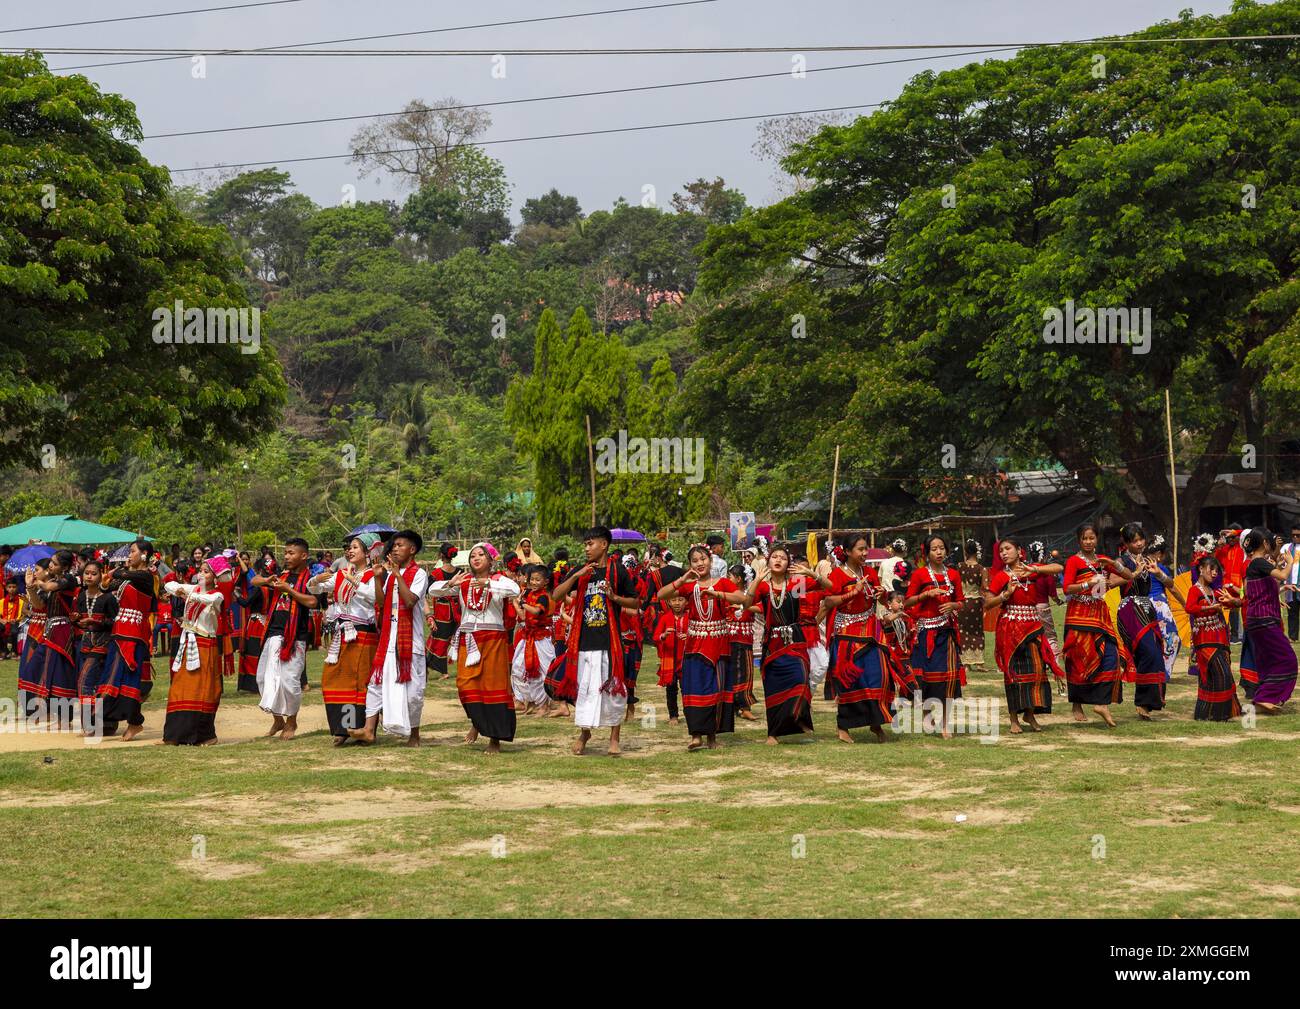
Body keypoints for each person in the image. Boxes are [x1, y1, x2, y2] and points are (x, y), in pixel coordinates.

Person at [554, 527, 640, 755]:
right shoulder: (581, 571)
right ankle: (585, 732)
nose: (586, 548)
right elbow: (555, 595)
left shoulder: (618, 571)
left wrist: (614, 598)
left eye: (590, 544)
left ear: (604, 545)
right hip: (582, 642)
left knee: (613, 691)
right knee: (585, 691)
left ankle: (614, 738)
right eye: (585, 544)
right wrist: (575, 576)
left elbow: (636, 602)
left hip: (610, 642)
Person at [431, 542, 520, 752]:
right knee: (465, 684)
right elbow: (433, 591)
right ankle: (477, 723)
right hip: (469, 638)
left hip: (493, 639)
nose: (476, 558)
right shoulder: (464, 582)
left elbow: (514, 588)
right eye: (472, 556)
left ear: (490, 559)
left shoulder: (499, 581)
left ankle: (494, 739)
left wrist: (488, 585)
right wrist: (449, 583)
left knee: (493, 687)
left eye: (481, 555)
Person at [821, 533, 908, 742]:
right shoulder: (838, 575)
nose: (864, 553)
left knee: (880, 676)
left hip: (871, 631)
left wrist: (881, 594)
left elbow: (880, 598)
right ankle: (844, 727)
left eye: (866, 548)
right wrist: (853, 592)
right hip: (847, 634)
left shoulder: (869, 571)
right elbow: (829, 601)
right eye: (860, 549)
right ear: (848, 552)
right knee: (850, 680)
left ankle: (877, 722)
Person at [350, 531, 430, 745]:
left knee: (413, 691)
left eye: (400, 545)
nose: (394, 549)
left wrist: (397, 575)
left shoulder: (419, 574)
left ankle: (414, 734)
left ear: (411, 550)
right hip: (388, 640)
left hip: (409, 642)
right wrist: (378, 577)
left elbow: (410, 601)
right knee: (376, 684)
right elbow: (382, 603)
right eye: (393, 546)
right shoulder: (391, 574)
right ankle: (368, 730)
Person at [657, 544, 738, 751]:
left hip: (719, 644)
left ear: (710, 561)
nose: (699, 563)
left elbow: (743, 598)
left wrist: (719, 595)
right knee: (695, 688)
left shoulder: (723, 583)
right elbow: (661, 595)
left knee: (716, 689)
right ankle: (695, 735)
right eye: (695, 561)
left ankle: (712, 737)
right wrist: (682, 579)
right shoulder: (689, 586)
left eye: (703, 559)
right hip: (695, 644)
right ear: (690, 565)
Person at [983, 538, 1064, 734]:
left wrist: (1035, 570)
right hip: (1010, 627)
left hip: (1033, 625)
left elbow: (1058, 567)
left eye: (1008, 549)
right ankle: (1013, 719)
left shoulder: (1033, 571)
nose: (1004, 553)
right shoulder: (1002, 576)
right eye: (1001, 550)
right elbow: (987, 603)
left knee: (1037, 670)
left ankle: (1030, 713)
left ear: (1019, 551)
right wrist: (1005, 595)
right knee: (1013, 674)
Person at [1061, 523, 1135, 727]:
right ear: (1079, 540)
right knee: (1079, 659)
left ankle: (1102, 703)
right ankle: (1076, 703)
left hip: (1100, 615)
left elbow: (1129, 575)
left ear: (1097, 539)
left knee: (1111, 655)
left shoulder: (1102, 561)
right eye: (1084, 538)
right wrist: (1089, 584)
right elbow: (1067, 588)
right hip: (1079, 614)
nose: (1088, 542)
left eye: (1091, 538)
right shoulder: (1074, 561)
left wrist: (1113, 563)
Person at [741, 545, 816, 743]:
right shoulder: (763, 587)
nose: (778, 560)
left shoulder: (796, 584)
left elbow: (829, 587)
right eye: (774, 556)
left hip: (795, 639)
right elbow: (747, 605)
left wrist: (809, 572)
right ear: (768, 562)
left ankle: (797, 716)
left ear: (788, 564)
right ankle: (773, 733)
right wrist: (756, 581)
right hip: (773, 642)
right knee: (773, 688)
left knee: (801, 680)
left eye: (783, 558)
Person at [251, 538, 318, 741]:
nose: (287, 556)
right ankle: (278, 719)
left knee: (289, 682)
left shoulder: (310, 579)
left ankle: (291, 721)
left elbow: (313, 602)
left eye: (291, 553)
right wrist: (267, 581)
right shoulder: (281, 575)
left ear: (303, 555)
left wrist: (288, 590)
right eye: (286, 553)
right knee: (263, 678)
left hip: (295, 637)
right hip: (273, 634)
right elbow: (254, 581)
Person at [904, 535, 967, 738]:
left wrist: (953, 605)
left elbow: (961, 601)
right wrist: (925, 595)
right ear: (927, 553)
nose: (939, 552)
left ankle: (946, 724)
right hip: (925, 634)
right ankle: (926, 714)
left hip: (946, 632)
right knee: (927, 680)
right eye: (934, 549)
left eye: (941, 548)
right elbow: (907, 603)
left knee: (949, 678)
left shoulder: (954, 575)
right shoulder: (920, 575)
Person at [319, 534, 379, 744]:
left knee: (357, 682)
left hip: (362, 633)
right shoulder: (342, 574)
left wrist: (356, 582)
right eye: (349, 548)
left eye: (355, 548)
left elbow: (376, 598)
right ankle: (342, 728)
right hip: (342, 633)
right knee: (334, 678)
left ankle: (357, 727)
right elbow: (316, 588)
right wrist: (316, 580)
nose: (350, 551)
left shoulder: (375, 575)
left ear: (368, 553)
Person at [97, 540, 158, 741]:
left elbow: (125, 574)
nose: (129, 555)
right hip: (120, 630)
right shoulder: (127, 578)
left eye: (132, 551)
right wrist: (103, 582)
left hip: (135, 633)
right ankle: (111, 716)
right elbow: (106, 588)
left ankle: (134, 722)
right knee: (113, 674)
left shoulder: (146, 576)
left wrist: (114, 573)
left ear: (144, 554)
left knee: (130, 676)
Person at [162, 558, 228, 745]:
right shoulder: (194, 590)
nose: (201, 574)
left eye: (206, 572)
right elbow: (169, 584)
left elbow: (208, 599)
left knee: (203, 691)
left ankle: (206, 735)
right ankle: (174, 735)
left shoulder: (217, 595)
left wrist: (186, 594)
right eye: (200, 570)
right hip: (189, 643)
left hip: (205, 646)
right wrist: (182, 590)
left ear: (215, 578)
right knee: (179, 688)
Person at [1238, 528, 1297, 714]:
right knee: (1288, 659)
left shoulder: (1253, 565)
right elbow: (1282, 576)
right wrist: (1289, 563)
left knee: (1268, 661)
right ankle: (1265, 697)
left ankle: (1264, 697)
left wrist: (1277, 592)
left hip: (1257, 619)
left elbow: (1251, 592)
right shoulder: (1259, 562)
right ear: (1264, 543)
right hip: (1264, 620)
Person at [1115, 523, 1169, 720]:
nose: (1139, 544)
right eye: (1134, 541)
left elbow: (1169, 584)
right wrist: (1135, 573)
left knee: (1154, 653)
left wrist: (1159, 574)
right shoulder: (1121, 561)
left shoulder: (1149, 560)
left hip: (1148, 609)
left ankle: (1148, 702)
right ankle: (1142, 702)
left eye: (1140, 539)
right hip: (1129, 609)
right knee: (1148, 651)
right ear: (1127, 543)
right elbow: (1112, 581)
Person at [22, 550, 81, 728]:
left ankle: (64, 718)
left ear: (64, 566)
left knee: (60, 674)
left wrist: (37, 581)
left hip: (62, 631)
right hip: (50, 631)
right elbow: (39, 604)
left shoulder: (68, 579)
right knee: (33, 669)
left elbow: (48, 587)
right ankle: (46, 711)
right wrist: (30, 587)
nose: (51, 566)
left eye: (54, 563)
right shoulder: (52, 582)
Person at [1184, 555, 1242, 721]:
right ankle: (1220, 713)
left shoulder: (1215, 591)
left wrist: (1231, 600)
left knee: (1216, 675)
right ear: (1201, 569)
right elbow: (1189, 608)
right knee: (1221, 673)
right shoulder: (1194, 590)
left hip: (1219, 637)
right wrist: (1209, 607)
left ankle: (1206, 714)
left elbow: (1234, 604)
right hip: (1204, 640)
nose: (1215, 572)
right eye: (1211, 569)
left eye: (1217, 570)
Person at [74, 561, 116, 736]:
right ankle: (103, 724)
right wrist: (75, 618)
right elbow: (78, 620)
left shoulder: (108, 598)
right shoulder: (81, 596)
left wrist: (95, 622)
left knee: (85, 681)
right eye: (86, 573)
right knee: (95, 684)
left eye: (93, 573)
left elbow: (115, 622)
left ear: (101, 575)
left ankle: (91, 725)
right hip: (85, 644)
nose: (89, 576)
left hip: (102, 644)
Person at [510, 564, 554, 717]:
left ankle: (544, 705)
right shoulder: (529, 595)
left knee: (543, 670)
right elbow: (523, 617)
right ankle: (528, 701)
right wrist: (517, 604)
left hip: (540, 639)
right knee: (518, 668)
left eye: (537, 580)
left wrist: (522, 604)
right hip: (527, 637)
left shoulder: (542, 597)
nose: (534, 583)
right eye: (532, 580)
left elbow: (536, 611)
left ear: (545, 582)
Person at [1143, 535, 1185, 682]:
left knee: (1149, 640)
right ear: (1160, 554)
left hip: (1141, 605)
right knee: (1172, 638)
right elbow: (1172, 588)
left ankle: (1149, 672)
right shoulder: (1160, 569)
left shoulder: (1138, 566)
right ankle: (1163, 673)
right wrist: (1184, 604)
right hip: (1159, 605)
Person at [726, 563, 759, 722]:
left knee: (745, 673)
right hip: (728, 638)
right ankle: (731, 705)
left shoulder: (750, 595)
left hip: (745, 639)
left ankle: (745, 707)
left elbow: (761, 608)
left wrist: (742, 605)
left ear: (738, 579)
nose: (728, 579)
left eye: (730, 576)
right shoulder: (727, 593)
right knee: (729, 671)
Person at [652, 593, 689, 725]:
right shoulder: (665, 618)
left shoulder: (690, 617)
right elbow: (656, 637)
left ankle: (689, 714)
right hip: (670, 661)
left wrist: (689, 637)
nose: (677, 603)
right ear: (668, 602)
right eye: (674, 600)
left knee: (687, 689)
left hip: (686, 660)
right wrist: (663, 635)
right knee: (671, 690)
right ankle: (673, 715)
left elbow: (698, 634)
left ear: (686, 601)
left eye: (681, 599)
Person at [427, 543, 461, 680]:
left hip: (443, 612)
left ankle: (443, 671)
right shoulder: (459, 572)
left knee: (440, 640)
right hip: (457, 610)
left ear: (441, 555)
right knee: (447, 639)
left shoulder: (436, 574)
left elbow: (429, 591)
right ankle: (427, 667)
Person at [955, 539, 987, 667]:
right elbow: (984, 587)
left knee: (963, 630)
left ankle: (965, 662)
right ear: (977, 552)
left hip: (962, 601)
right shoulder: (981, 568)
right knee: (977, 630)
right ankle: (979, 662)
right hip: (976, 602)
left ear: (966, 551)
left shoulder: (959, 566)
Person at [1215, 526, 1246, 642]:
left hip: (1240, 584)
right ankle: (1232, 635)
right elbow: (1217, 559)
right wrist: (1220, 545)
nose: (1231, 539)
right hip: (1227, 584)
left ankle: (1240, 635)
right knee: (1229, 610)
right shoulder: (1226, 548)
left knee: (1241, 608)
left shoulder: (1242, 547)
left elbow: (1247, 532)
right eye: (1229, 538)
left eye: (1234, 537)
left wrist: (1234, 531)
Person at [1281, 525, 1300, 642]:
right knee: (1292, 612)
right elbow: (1280, 560)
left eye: (1298, 535)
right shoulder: (1287, 547)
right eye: (1293, 535)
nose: (1295, 537)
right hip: (1291, 585)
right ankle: (1293, 637)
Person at [1, 577, 25, 659]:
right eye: (9, 587)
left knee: (14, 631)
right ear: (6, 588)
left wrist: (16, 620)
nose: (12, 589)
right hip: (4, 621)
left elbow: (23, 616)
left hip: (16, 622)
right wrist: (1, 620)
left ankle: (14, 650)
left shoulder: (21, 601)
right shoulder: (2, 601)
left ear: (17, 587)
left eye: (14, 587)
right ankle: (4, 650)